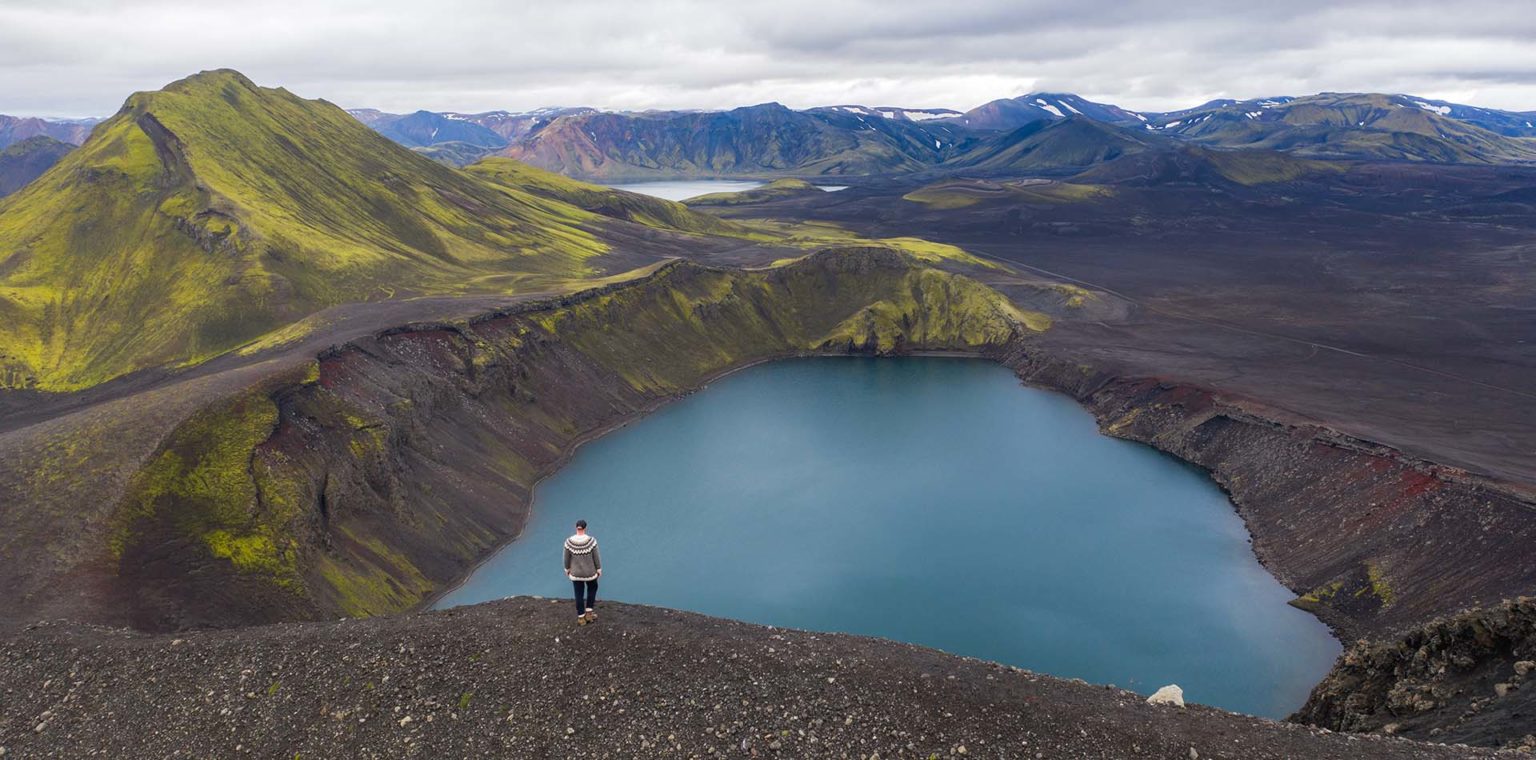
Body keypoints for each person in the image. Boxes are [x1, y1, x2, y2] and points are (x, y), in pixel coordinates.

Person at [564, 519, 601, 624]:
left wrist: (567, 569)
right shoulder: (591, 541)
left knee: (578, 593)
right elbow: (596, 557)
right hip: (590, 572)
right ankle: (589, 613)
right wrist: (598, 569)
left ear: (576, 527)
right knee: (592, 588)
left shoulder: (569, 542)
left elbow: (566, 558)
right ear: (585, 528)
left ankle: (581, 618)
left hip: (576, 573)